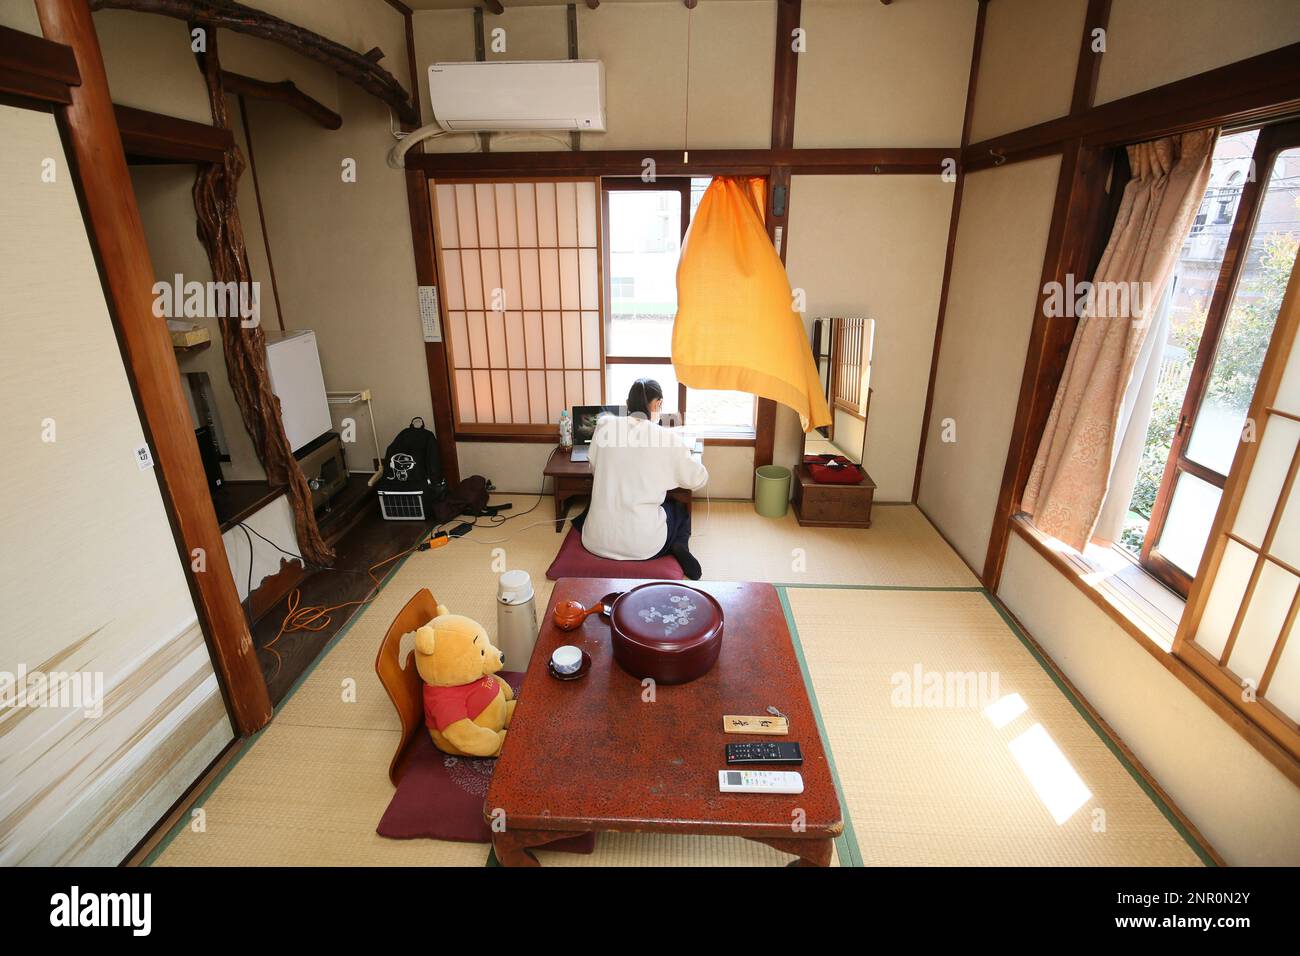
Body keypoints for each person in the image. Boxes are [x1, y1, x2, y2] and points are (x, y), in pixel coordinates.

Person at [573, 378, 708, 579]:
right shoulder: (668, 438)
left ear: (628, 404)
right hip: (644, 544)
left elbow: (594, 465)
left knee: (593, 504)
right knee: (679, 510)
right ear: (657, 404)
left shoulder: (604, 425)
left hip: (595, 540)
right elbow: (697, 479)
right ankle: (679, 545)